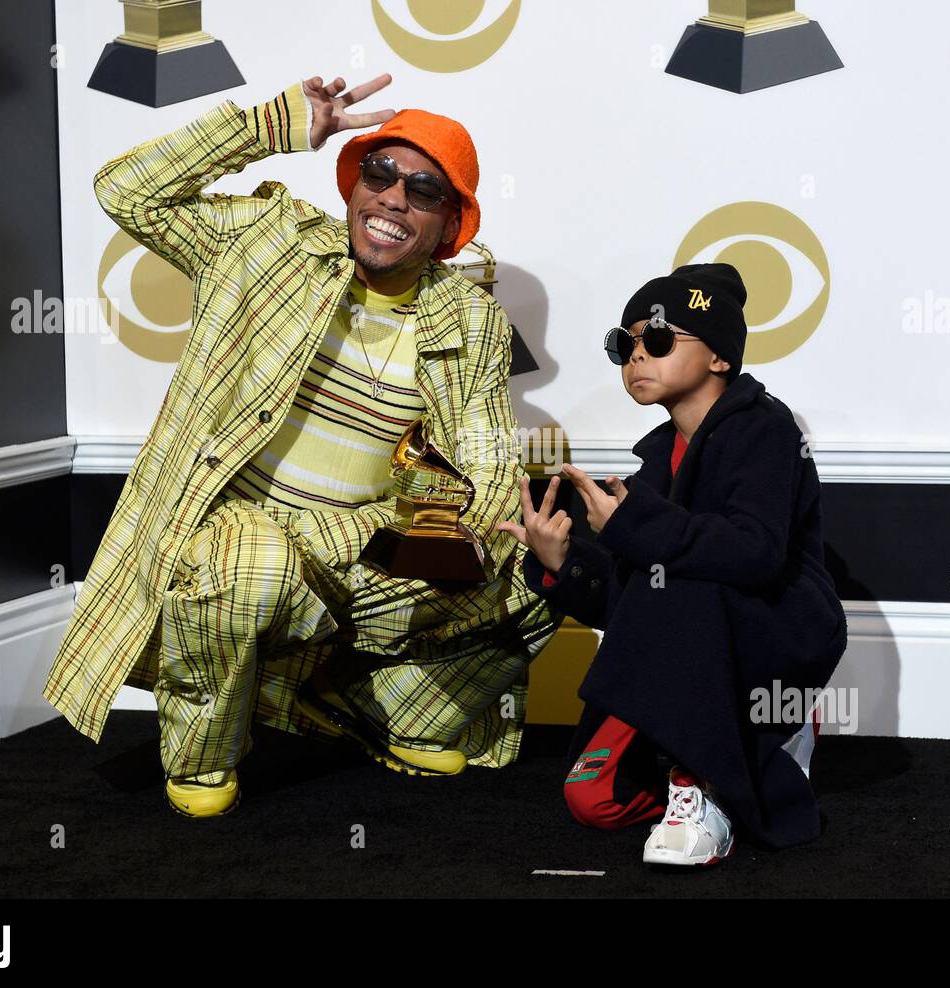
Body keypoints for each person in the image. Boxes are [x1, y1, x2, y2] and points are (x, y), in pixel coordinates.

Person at [43, 73, 564, 817]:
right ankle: (204, 751)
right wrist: (268, 126)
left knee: (538, 584)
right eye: (380, 173)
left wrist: (474, 541)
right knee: (249, 566)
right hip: (245, 539)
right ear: (354, 184)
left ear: (450, 227)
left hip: (362, 547)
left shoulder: (470, 321)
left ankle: (378, 704)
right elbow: (127, 190)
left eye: (424, 191)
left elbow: (480, 461)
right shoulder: (268, 243)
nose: (393, 198)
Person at [498, 263, 847, 865]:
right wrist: (562, 563)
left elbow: (755, 552)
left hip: (781, 624)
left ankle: (710, 774)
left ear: (720, 357)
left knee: (687, 578)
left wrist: (636, 528)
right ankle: (730, 767)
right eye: (624, 343)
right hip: (691, 640)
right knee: (592, 799)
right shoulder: (656, 458)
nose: (637, 355)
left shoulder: (766, 428)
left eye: (657, 339)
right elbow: (627, 600)